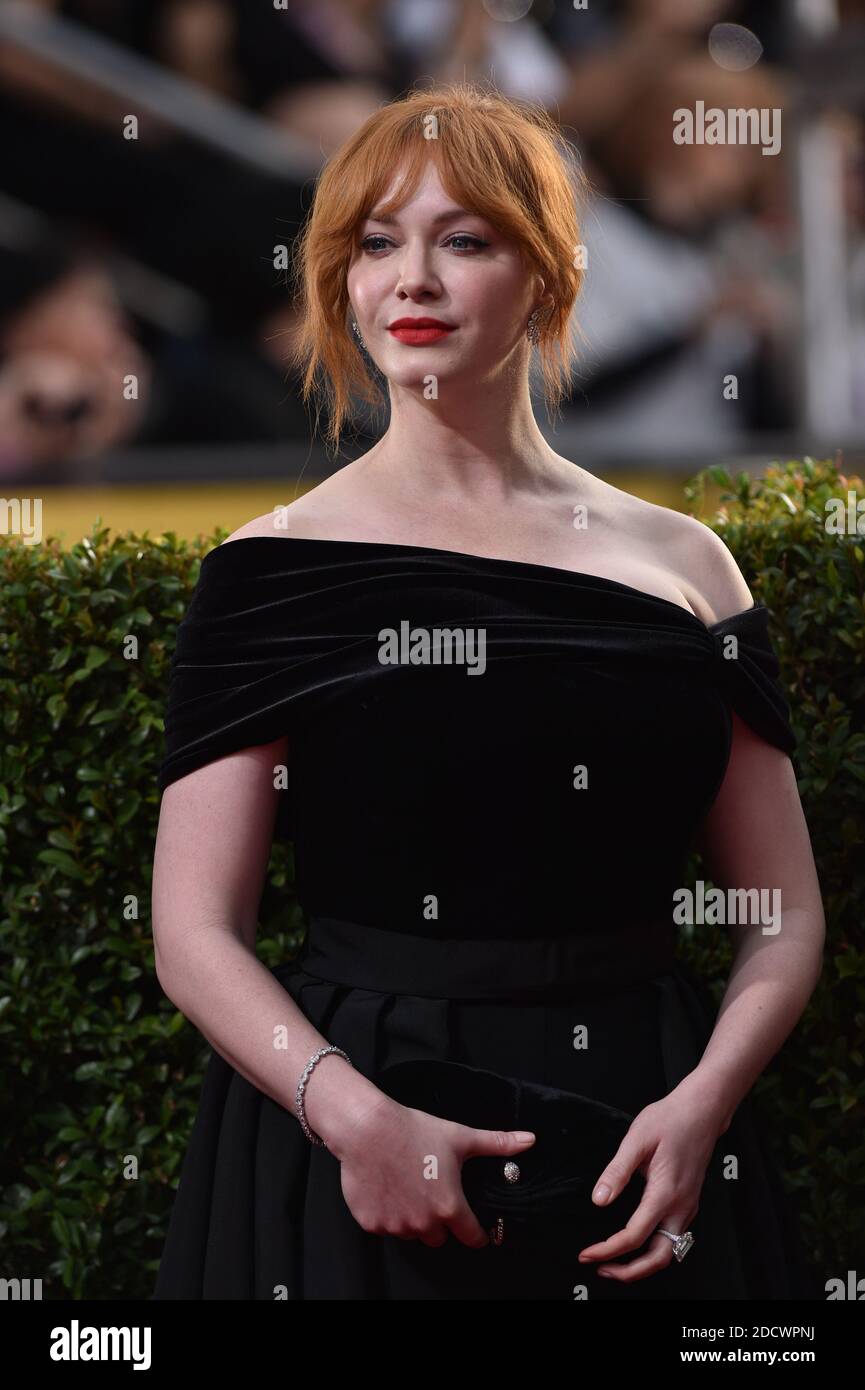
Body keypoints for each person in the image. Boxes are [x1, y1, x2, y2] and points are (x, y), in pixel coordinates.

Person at [151, 82, 825, 1300]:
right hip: (357, 1131)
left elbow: (780, 912)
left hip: (646, 1128)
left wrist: (701, 1107)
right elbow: (194, 932)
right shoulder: (267, 572)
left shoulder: (685, 567)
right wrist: (353, 1118)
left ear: (552, 278)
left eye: (462, 240)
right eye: (373, 243)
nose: (410, 280)